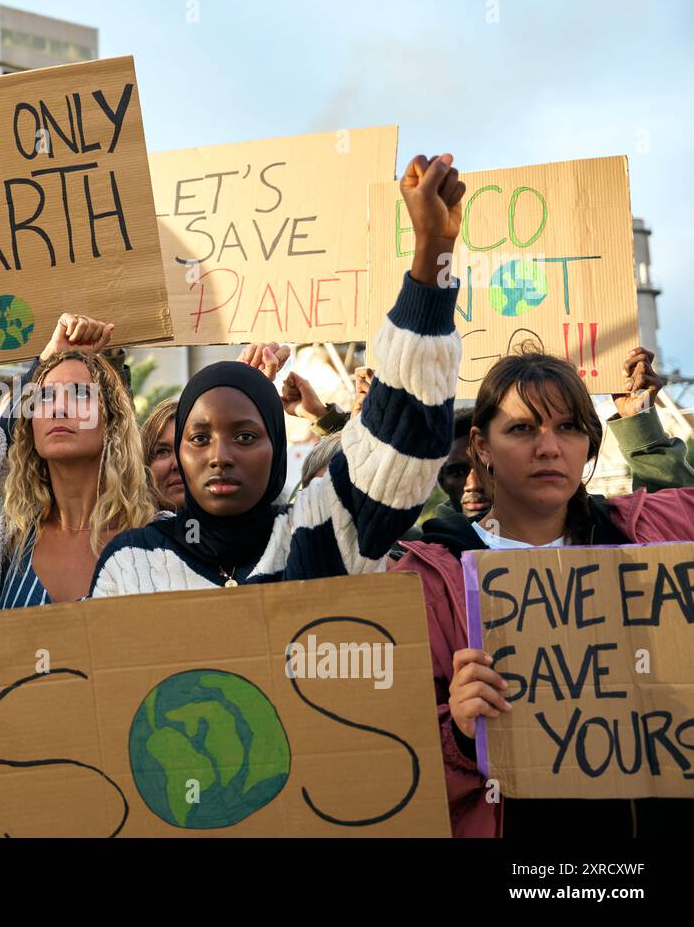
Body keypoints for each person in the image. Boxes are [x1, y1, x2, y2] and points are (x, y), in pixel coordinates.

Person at [88, 152, 467, 595]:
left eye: (246, 436)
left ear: (280, 450)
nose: (220, 456)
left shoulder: (326, 529)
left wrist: (433, 254)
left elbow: (402, 439)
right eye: (199, 438)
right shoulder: (132, 566)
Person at [393, 345, 694, 837]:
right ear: (481, 446)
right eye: (522, 429)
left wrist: (640, 424)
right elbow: (383, 768)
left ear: (591, 444)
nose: (549, 447)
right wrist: (461, 734)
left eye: (568, 427)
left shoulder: (650, 536)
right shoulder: (428, 581)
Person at [0, 169, 155, 609]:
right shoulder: (1, 524)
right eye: (44, 397)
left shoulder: (162, 540)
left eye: (80, 395)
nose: (58, 406)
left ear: (114, 422)